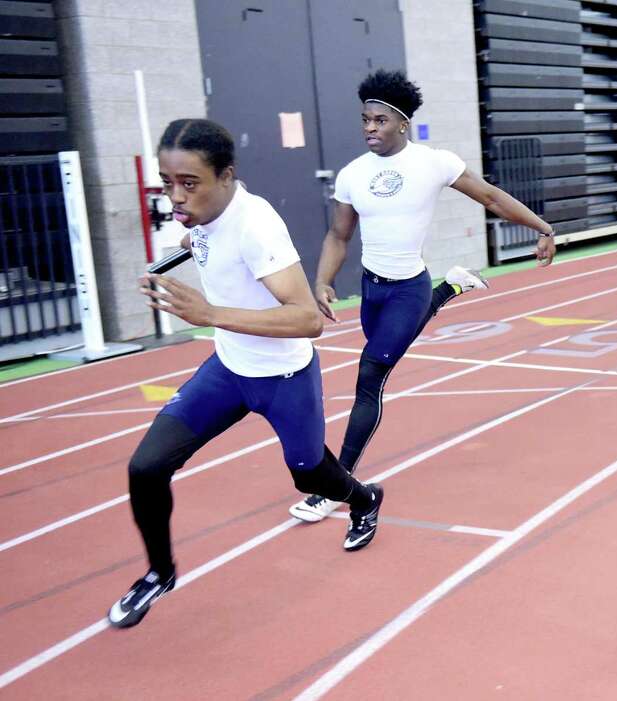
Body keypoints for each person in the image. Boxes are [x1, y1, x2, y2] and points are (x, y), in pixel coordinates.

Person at [109, 119, 383, 629]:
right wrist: (174, 259)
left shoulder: (257, 225)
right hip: (229, 370)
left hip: (284, 379)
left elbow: (305, 319)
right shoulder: (205, 216)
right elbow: (212, 245)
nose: (177, 196)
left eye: (189, 184)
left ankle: (365, 499)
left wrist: (208, 314)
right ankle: (160, 572)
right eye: (168, 183)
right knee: (145, 468)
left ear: (227, 176)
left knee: (309, 474)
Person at [289, 69, 556, 523]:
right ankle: (451, 286)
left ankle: (336, 485)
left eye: (379, 120)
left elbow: (490, 197)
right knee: (382, 354)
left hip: (408, 289)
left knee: (370, 377)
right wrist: (322, 280)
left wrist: (543, 227)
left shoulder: (434, 163)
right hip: (372, 290)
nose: (370, 128)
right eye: (365, 120)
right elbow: (338, 235)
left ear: (402, 123)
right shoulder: (354, 174)